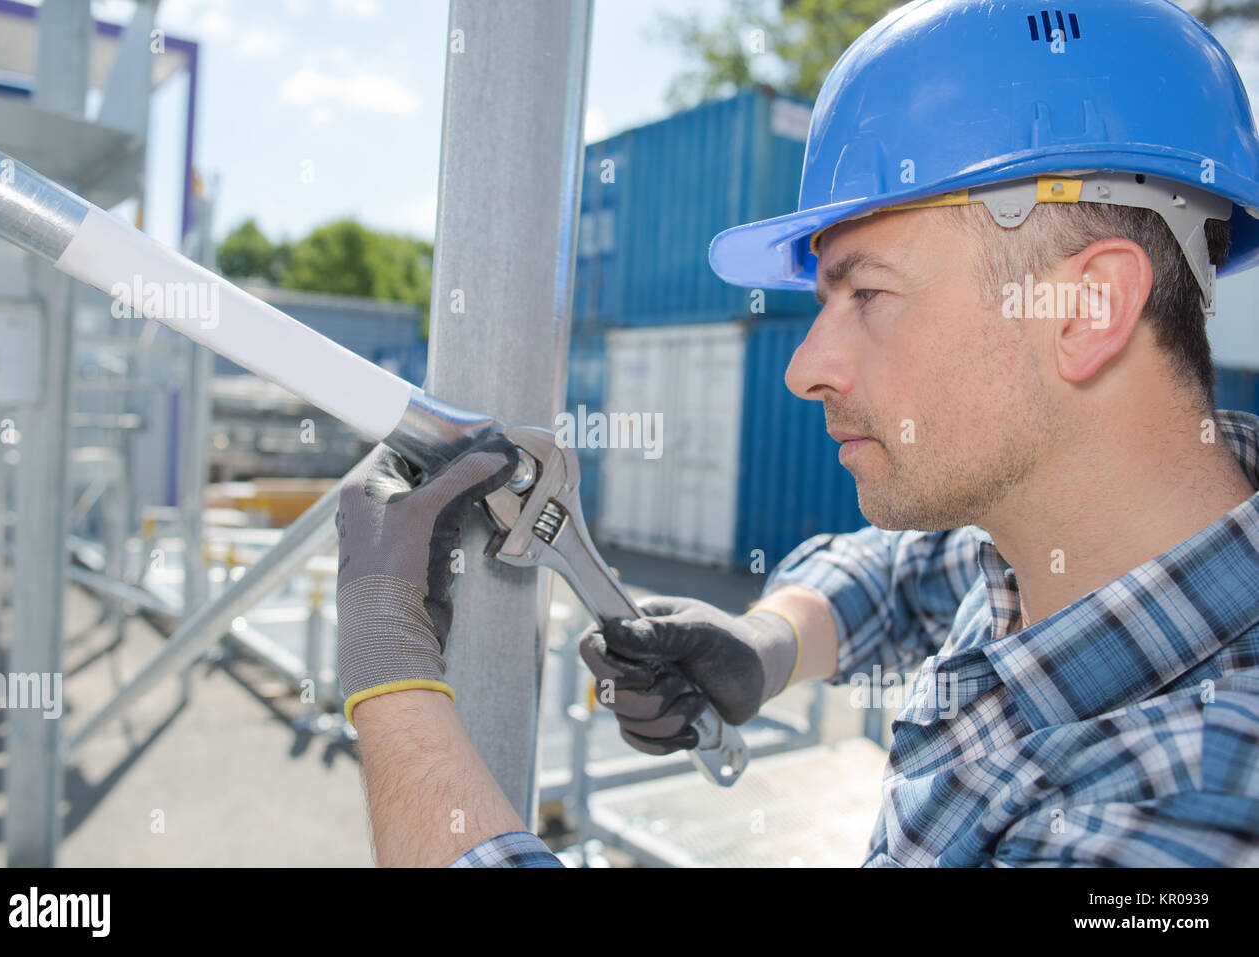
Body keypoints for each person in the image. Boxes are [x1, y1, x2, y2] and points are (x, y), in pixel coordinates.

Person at [337, 0, 1259, 867]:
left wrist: (390, 672)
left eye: (868, 293)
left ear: (1087, 304)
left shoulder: (1185, 815)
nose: (804, 367)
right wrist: (767, 643)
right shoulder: (1065, 549)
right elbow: (900, 579)